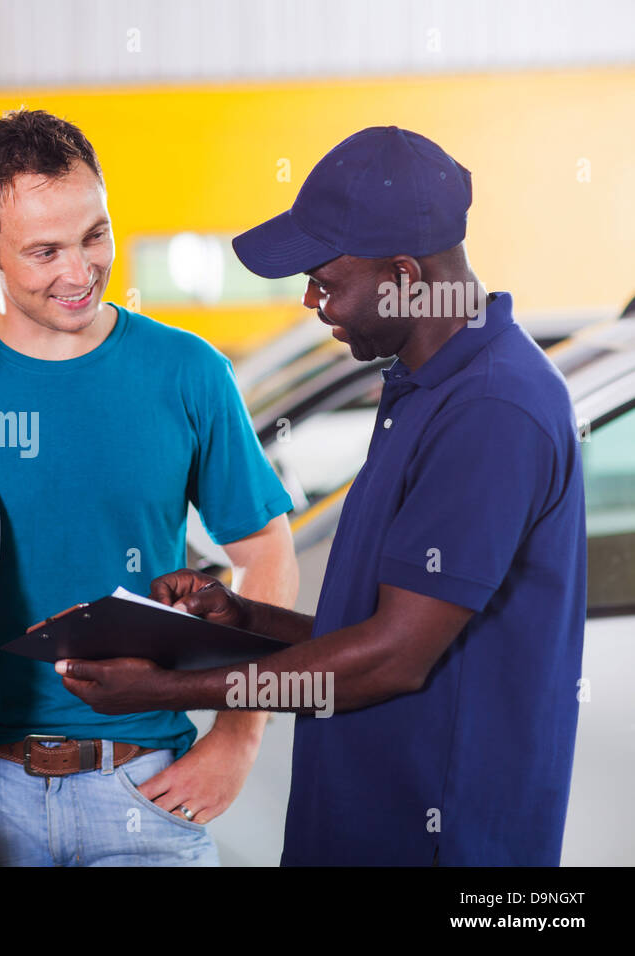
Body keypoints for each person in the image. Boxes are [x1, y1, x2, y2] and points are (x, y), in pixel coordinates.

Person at [59, 127, 587, 866]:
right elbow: (388, 630)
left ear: (404, 273)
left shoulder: (492, 408)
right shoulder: (426, 387)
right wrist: (243, 618)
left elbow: (393, 659)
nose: (309, 299)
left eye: (324, 280)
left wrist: (169, 687)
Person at [0, 109, 298, 866]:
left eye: (94, 236)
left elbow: (265, 549)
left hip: (142, 782)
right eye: (44, 251)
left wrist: (239, 739)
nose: (79, 273)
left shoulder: (187, 371)